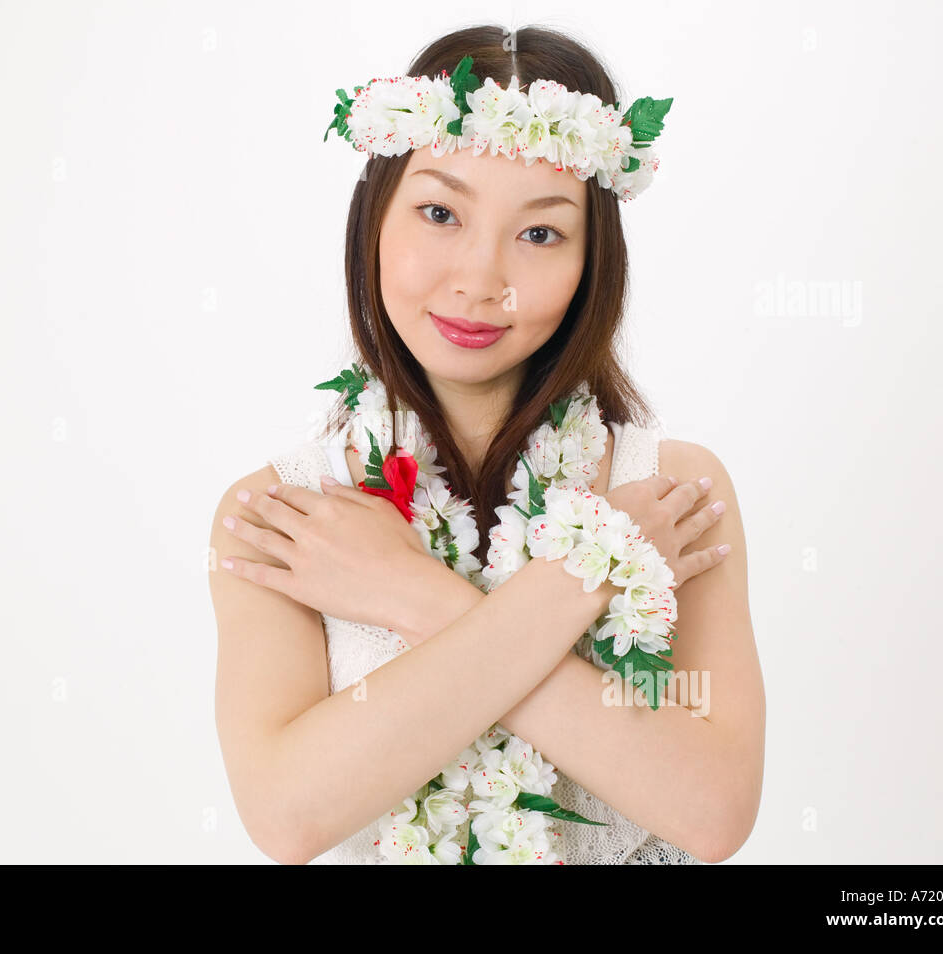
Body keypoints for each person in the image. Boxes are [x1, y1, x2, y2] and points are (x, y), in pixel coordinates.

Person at [207, 24, 764, 865]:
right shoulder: (288, 515)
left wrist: (411, 594)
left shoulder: (670, 493)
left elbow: (713, 811)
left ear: (592, 260)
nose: (478, 278)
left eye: (539, 234)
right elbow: (288, 817)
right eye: (439, 212)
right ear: (375, 218)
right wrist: (589, 572)